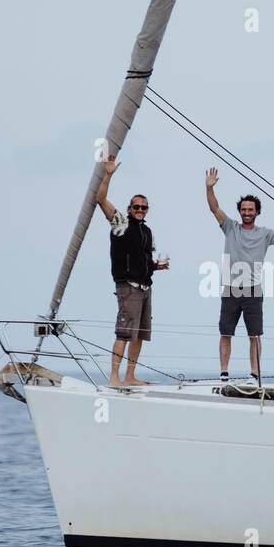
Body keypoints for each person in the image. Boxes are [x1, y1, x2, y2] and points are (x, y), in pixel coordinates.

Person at [206, 168, 274, 382]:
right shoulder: (230, 227)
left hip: (253, 291)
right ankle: (224, 374)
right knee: (225, 333)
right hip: (230, 289)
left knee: (254, 335)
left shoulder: (265, 234)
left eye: (251, 209)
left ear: (257, 212)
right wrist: (209, 187)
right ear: (240, 211)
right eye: (244, 209)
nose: (247, 212)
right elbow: (214, 208)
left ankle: (254, 375)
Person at [96, 155, 169, 387]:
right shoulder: (121, 223)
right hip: (128, 287)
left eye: (143, 207)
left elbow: (143, 259)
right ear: (129, 208)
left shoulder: (147, 231)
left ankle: (130, 376)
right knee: (124, 333)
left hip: (146, 287)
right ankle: (114, 378)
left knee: (139, 336)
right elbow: (100, 199)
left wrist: (157, 266)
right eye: (136, 207)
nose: (140, 210)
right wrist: (108, 174)